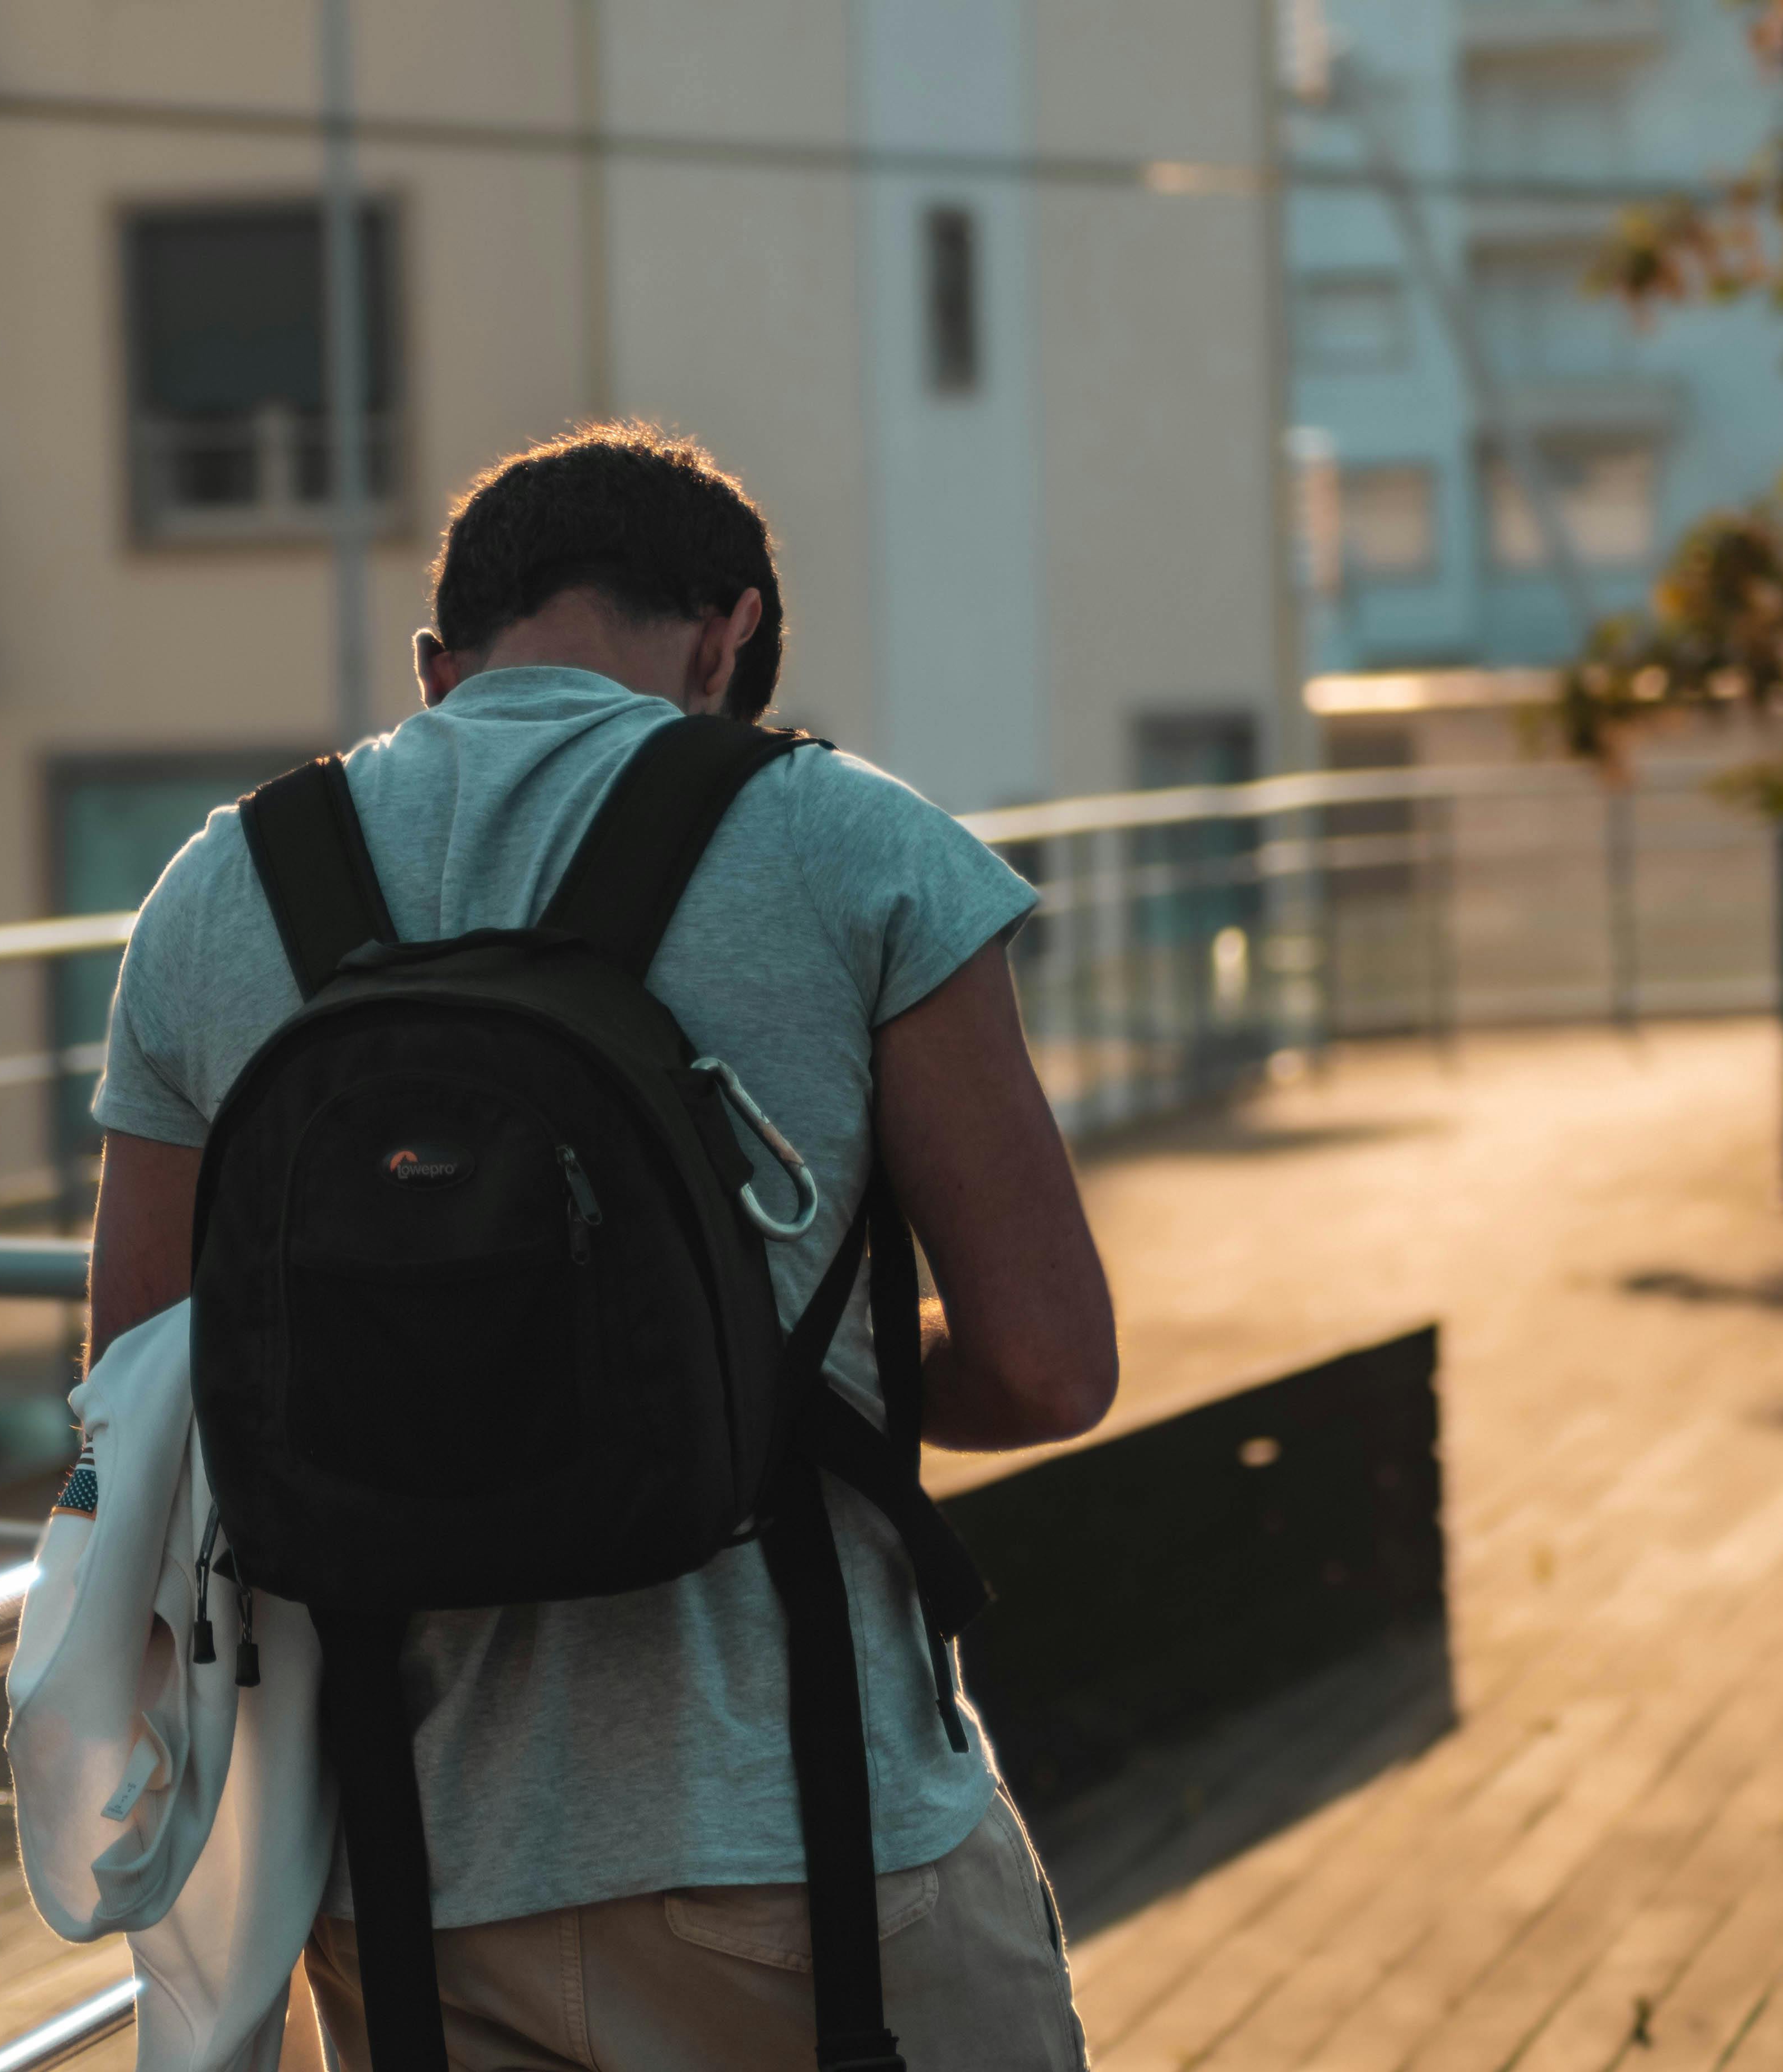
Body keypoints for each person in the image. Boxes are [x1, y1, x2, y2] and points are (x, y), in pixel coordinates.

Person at [83, 423, 1118, 2071]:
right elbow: (1050, 1366)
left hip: (412, 1892)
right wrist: (759, 1398)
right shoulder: (849, 842)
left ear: (440, 665)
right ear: (728, 638)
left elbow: (145, 1391)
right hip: (812, 1851)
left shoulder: (219, 893)